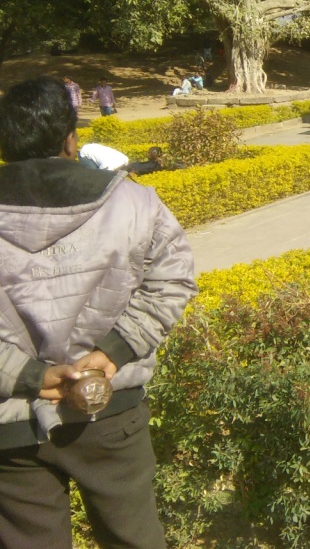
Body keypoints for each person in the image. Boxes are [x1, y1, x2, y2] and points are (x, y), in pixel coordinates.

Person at [0, 77, 197, 549]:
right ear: (71, 138)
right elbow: (172, 281)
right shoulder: (132, 201)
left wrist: (30, 377)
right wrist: (113, 353)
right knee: (134, 538)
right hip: (109, 410)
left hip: (10, 432)